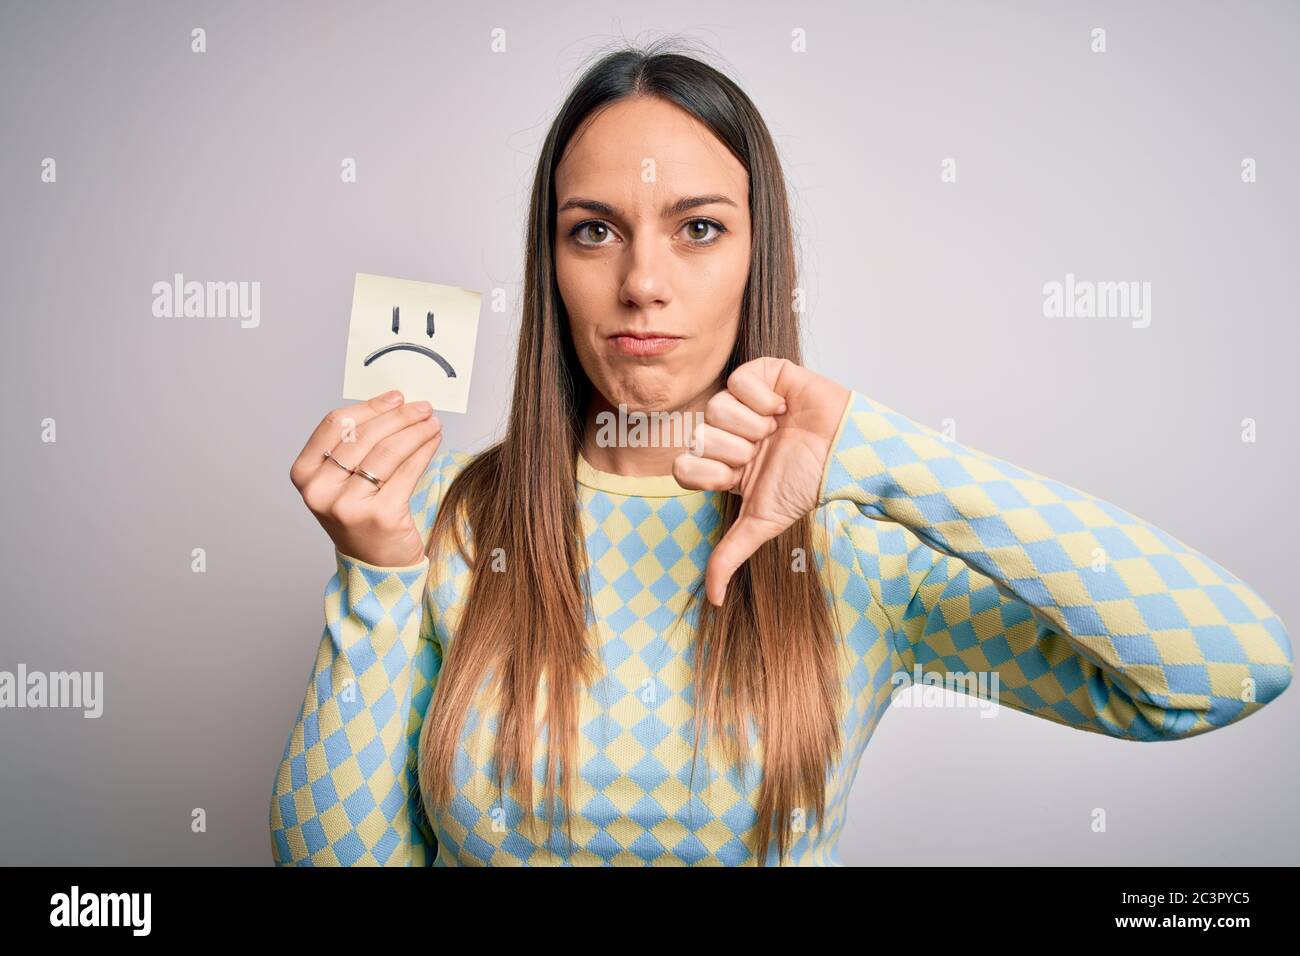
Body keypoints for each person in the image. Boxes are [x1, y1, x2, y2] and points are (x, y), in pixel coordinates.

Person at [269, 42, 1293, 867]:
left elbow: (1225, 669)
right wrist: (373, 575)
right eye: (593, 232)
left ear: (759, 254)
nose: (643, 282)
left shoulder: (852, 546)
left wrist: (880, 452)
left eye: (698, 228)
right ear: (551, 264)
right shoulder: (443, 520)